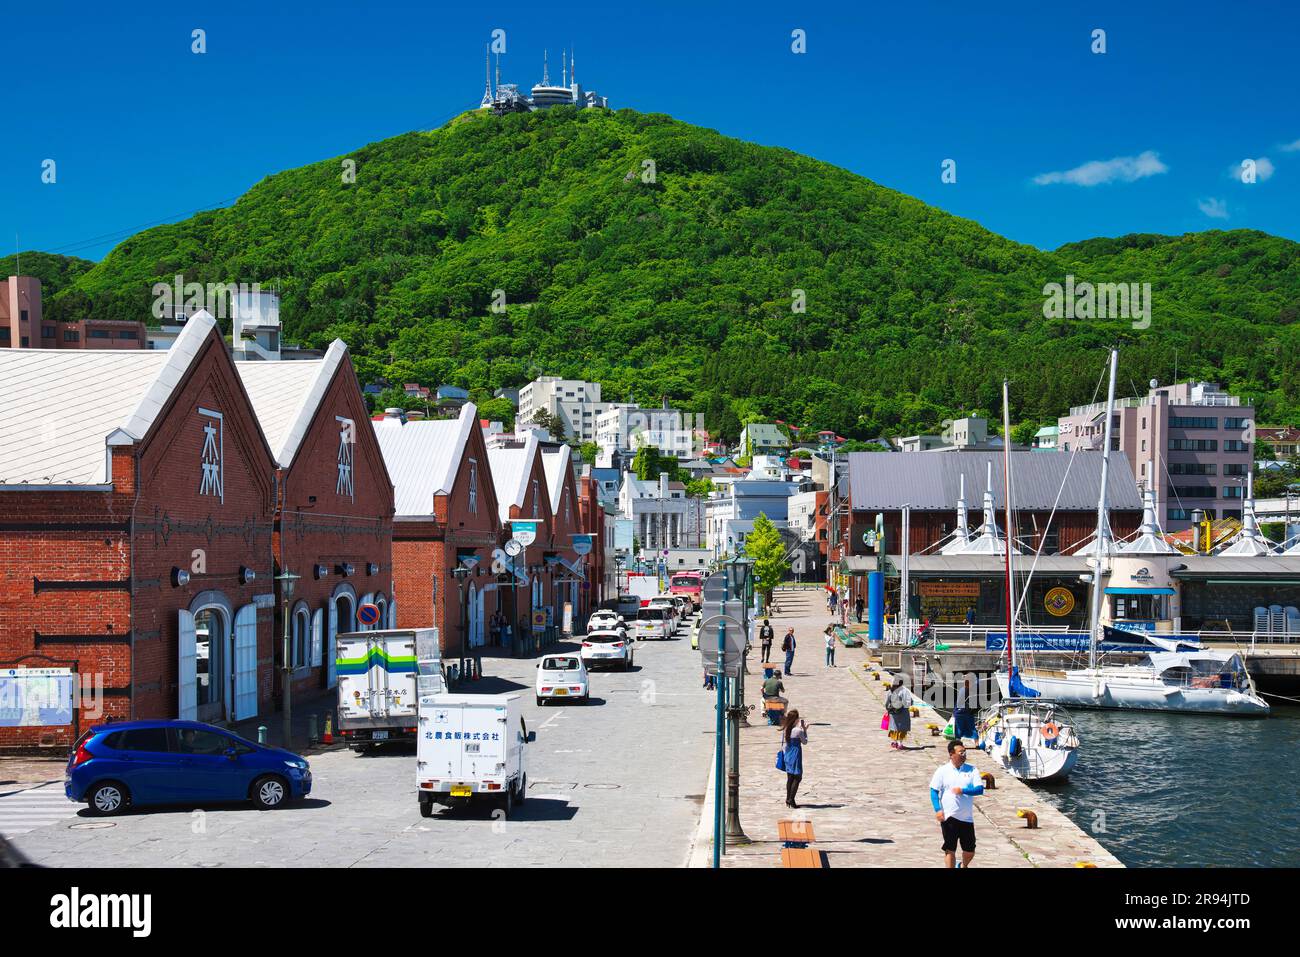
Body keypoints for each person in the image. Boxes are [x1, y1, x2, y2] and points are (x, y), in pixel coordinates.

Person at [930, 739, 984, 868]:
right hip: (949, 816)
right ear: (951, 754)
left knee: (969, 850)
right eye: (961, 752)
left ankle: (963, 865)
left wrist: (963, 790)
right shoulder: (942, 771)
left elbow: (980, 789)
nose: (964, 755)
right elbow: (933, 791)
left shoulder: (972, 770)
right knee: (950, 848)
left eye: (965, 752)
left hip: (966, 818)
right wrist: (938, 809)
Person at [781, 710, 808, 808]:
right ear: (795, 719)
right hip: (795, 755)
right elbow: (805, 742)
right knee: (797, 777)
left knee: (790, 778)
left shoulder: (786, 729)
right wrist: (805, 730)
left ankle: (788, 798)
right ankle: (791, 799)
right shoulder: (798, 731)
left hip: (787, 755)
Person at [885, 674, 912, 750]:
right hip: (903, 713)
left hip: (893, 713)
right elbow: (910, 702)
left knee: (894, 728)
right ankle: (900, 744)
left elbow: (886, 703)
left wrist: (888, 710)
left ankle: (894, 742)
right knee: (901, 729)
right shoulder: (904, 691)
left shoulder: (890, 691)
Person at [953, 675, 977, 741]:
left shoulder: (962, 690)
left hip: (960, 712)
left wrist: (954, 712)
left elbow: (959, 702)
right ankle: (976, 744)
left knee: (959, 729)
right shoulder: (972, 690)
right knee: (972, 728)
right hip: (968, 712)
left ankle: (958, 742)